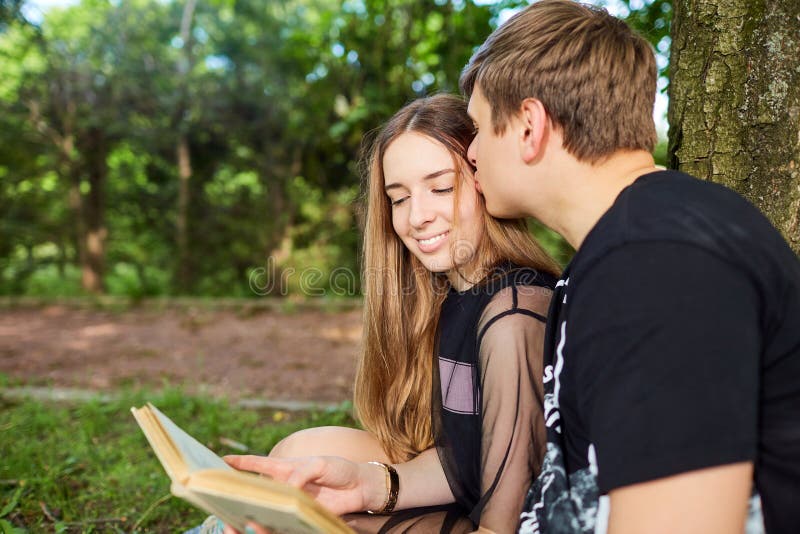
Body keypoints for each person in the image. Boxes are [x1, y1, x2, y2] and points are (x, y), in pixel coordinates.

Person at [459, 1, 800, 533]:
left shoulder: (657, 265)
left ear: (530, 126)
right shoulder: (622, 251)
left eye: (478, 128)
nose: (471, 152)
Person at [215, 94, 561, 534]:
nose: (416, 217)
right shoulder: (454, 294)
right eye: (398, 198)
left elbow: (507, 520)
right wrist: (369, 488)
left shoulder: (513, 313)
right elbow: (464, 458)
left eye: (440, 188)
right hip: (468, 503)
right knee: (298, 468)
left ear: (484, 177)